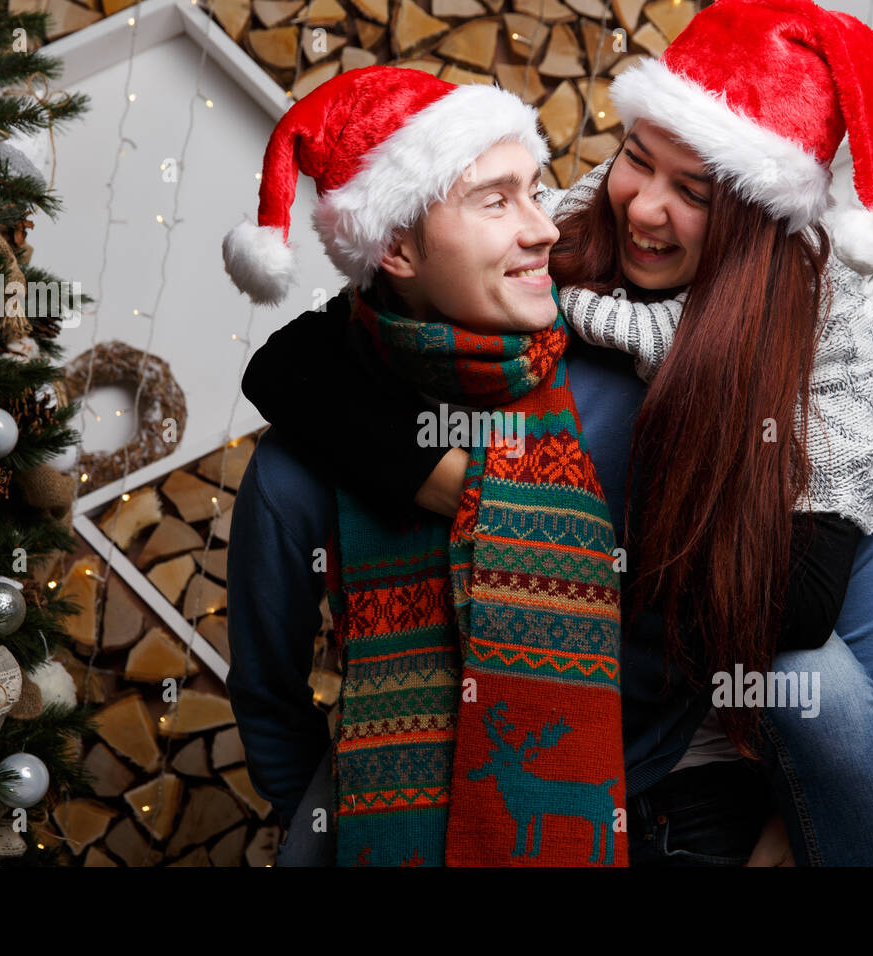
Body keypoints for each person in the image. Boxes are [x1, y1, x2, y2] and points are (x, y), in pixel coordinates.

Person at [238, 0, 873, 866]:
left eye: (695, 194)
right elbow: (290, 367)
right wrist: (456, 484)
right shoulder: (553, 253)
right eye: (636, 162)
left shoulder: (807, 320)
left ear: (755, 222)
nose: (643, 207)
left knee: (809, 678)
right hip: (441, 746)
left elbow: (848, 557)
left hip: (680, 753)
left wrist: (796, 815)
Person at [223, 64, 630, 866]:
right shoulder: (296, 469)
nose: (543, 228)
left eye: (534, 191)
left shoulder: (616, 401)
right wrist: (324, 825)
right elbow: (267, 693)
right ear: (397, 248)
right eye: (493, 200)